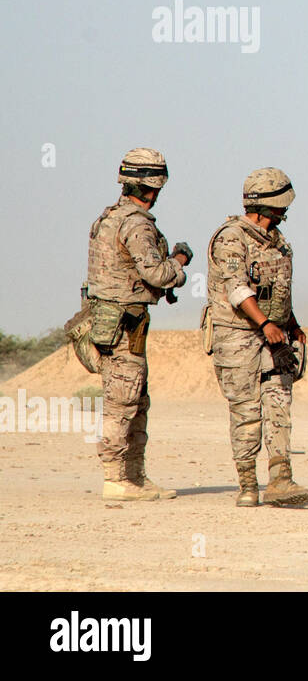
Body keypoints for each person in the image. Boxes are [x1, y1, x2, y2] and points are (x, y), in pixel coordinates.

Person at [83, 148, 190, 501]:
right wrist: (178, 262)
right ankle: (116, 480)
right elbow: (156, 273)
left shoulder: (108, 217)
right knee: (123, 403)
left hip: (114, 323)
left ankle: (135, 477)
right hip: (122, 325)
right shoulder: (136, 223)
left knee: (136, 402)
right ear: (153, 187)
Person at [204, 167, 308, 507]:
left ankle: (281, 479)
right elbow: (237, 289)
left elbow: (279, 291)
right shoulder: (231, 237)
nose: (285, 211)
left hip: (274, 336)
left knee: (279, 404)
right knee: (247, 410)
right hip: (238, 337)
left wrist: (290, 323)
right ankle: (248, 485)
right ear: (265, 204)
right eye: (281, 205)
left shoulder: (278, 242)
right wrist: (265, 323)